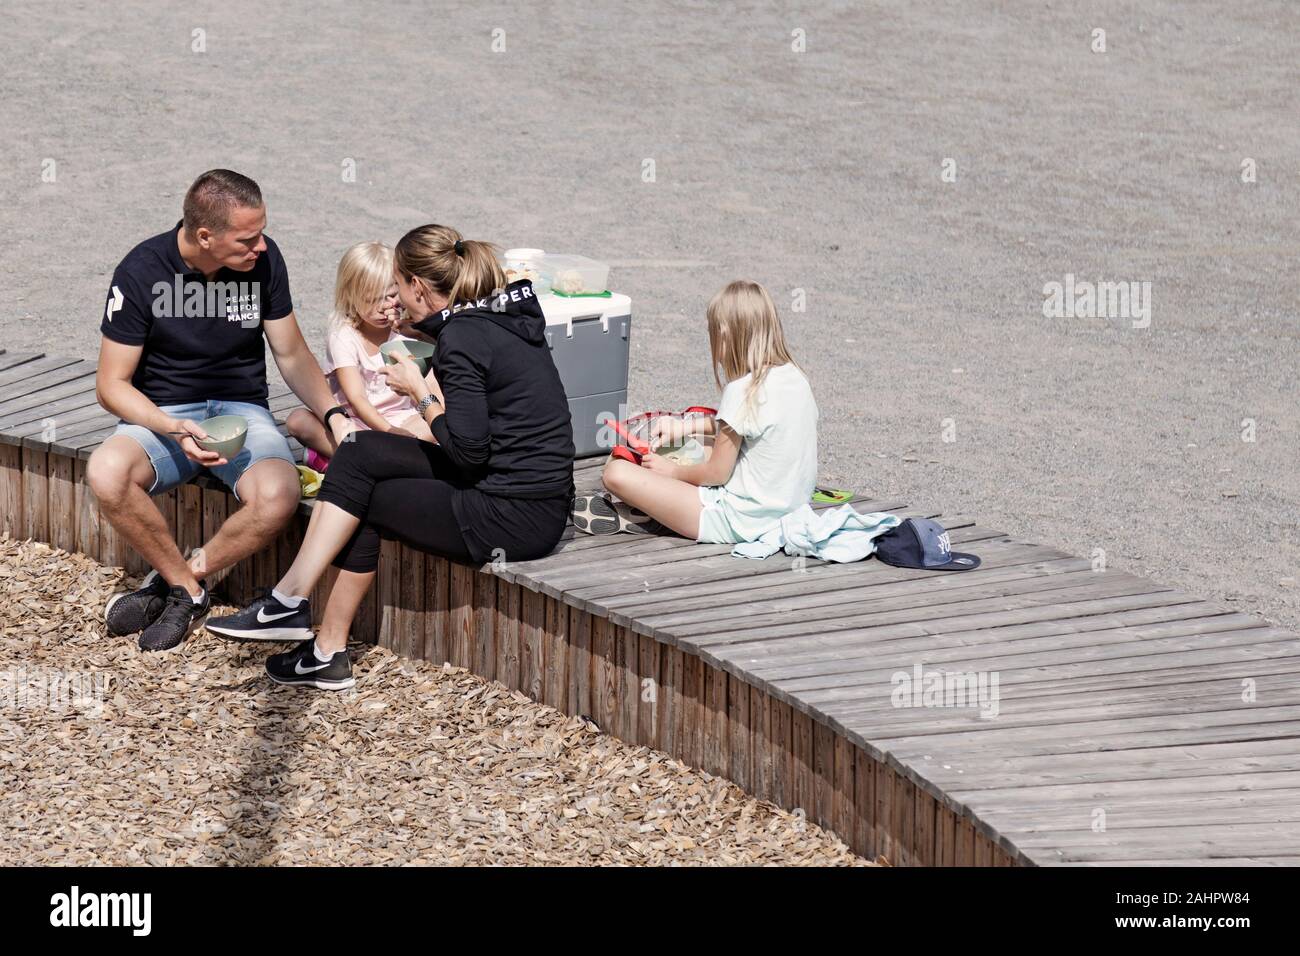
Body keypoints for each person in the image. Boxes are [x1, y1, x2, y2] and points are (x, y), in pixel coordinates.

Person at [206, 224, 575, 690]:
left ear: (418, 287)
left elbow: (466, 451)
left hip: (509, 516)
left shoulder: (462, 341)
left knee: (362, 490)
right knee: (359, 453)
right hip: (538, 499)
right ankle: (312, 637)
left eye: (399, 287)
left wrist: (420, 394)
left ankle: (300, 618)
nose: (396, 301)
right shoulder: (502, 317)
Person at [90, 169, 354, 652]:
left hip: (241, 410)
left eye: (261, 234)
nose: (261, 247)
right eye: (247, 239)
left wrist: (333, 414)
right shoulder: (142, 270)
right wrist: (172, 425)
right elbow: (111, 385)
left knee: (278, 494)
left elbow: (292, 354)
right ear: (205, 235)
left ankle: (182, 580)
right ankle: (188, 592)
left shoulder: (265, 261)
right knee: (106, 472)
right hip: (164, 413)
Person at [579, 280, 818, 543]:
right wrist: (685, 427)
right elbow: (750, 424)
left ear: (725, 335)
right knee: (699, 445)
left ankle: (658, 517)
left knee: (616, 474)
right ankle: (658, 510)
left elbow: (717, 473)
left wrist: (672, 472)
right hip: (789, 510)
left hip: (736, 521)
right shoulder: (796, 378)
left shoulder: (741, 390)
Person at [286, 241, 439, 471]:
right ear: (350, 297)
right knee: (298, 421)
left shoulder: (404, 325)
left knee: (439, 419)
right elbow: (356, 399)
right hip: (357, 423)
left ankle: (359, 460)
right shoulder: (344, 334)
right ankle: (378, 458)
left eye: (391, 296)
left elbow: (434, 377)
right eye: (372, 300)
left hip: (403, 418)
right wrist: (389, 433)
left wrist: (416, 331)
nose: (384, 306)